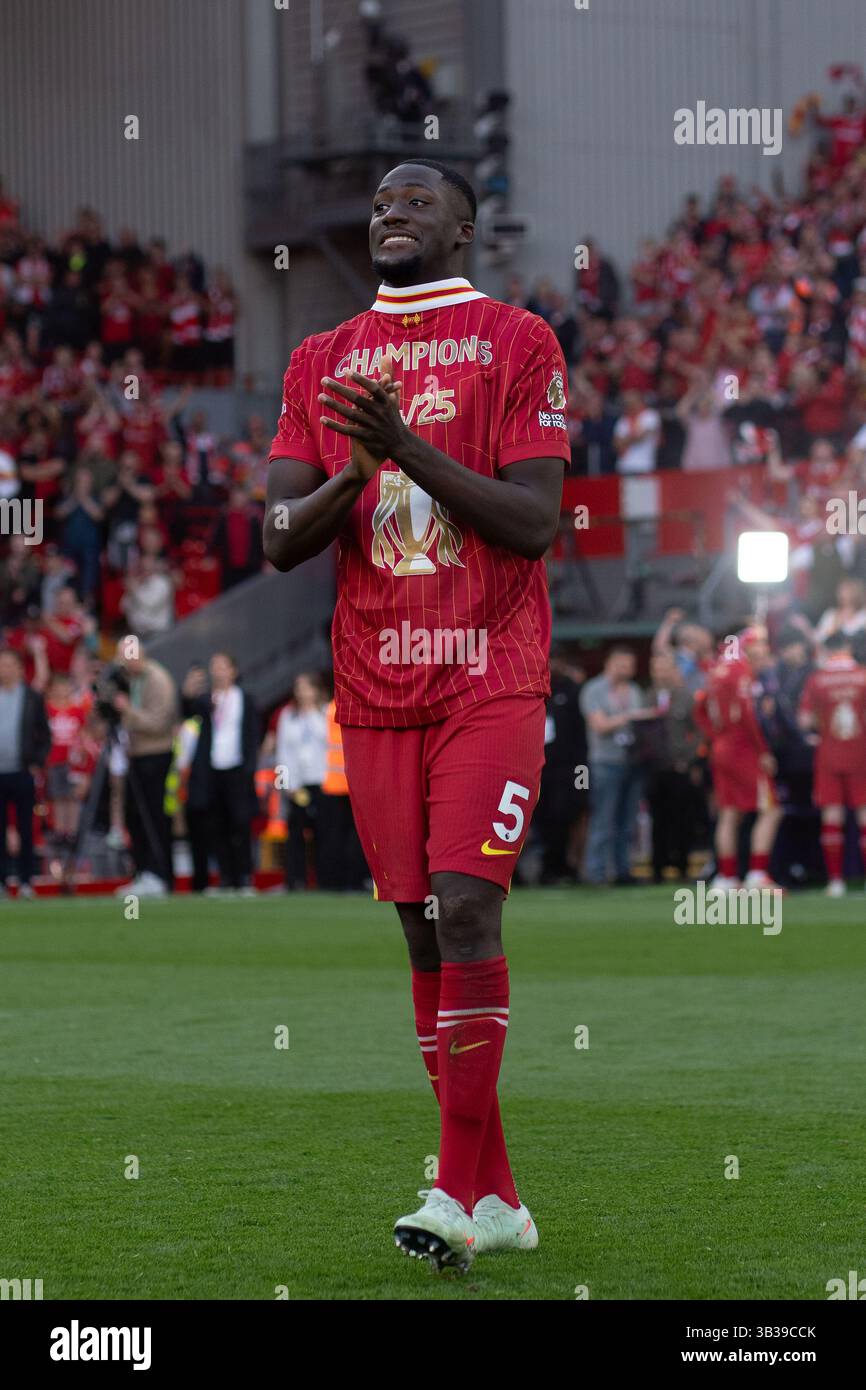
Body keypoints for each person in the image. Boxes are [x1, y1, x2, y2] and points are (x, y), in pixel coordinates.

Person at [264, 158, 570, 1270]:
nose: (392, 211)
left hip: (489, 670)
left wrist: (405, 449)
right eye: (382, 201)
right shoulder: (319, 360)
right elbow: (278, 537)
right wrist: (353, 473)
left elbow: (533, 525)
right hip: (375, 686)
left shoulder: (519, 341)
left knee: (466, 913)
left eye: (417, 201)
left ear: (463, 230)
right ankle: (497, 1196)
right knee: (417, 931)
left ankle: (449, 1191)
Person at [692, 628, 782, 890]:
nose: (764, 649)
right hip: (743, 748)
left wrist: (714, 737)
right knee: (771, 809)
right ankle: (757, 874)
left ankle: (727, 878)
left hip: (721, 748)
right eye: (760, 643)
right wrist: (763, 751)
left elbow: (700, 710)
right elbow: (747, 714)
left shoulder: (717, 670)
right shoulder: (740, 669)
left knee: (729, 813)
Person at [181, 652, 259, 894]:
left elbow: (252, 733)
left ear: (233, 671)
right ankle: (226, 876)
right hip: (212, 768)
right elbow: (186, 711)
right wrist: (187, 693)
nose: (218, 671)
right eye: (214, 666)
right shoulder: (206, 700)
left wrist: (249, 768)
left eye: (223, 666)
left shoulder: (245, 698)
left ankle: (244, 876)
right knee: (217, 825)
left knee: (241, 822)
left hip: (236, 768)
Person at [798, 632, 866, 897]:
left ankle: (835, 881)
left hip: (828, 753)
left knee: (832, 816)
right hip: (861, 752)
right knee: (864, 815)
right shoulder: (863, 676)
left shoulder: (817, 680)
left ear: (827, 649)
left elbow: (804, 721)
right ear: (848, 647)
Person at [579, 646, 652, 885]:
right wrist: (631, 717)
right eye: (622, 663)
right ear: (609, 663)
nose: (626, 669)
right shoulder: (594, 690)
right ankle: (596, 871)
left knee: (627, 820)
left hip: (631, 760)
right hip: (605, 762)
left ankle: (623, 870)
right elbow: (599, 725)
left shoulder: (633, 690)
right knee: (603, 818)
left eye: (629, 664)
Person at [112, 640, 177, 897]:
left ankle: (158, 873)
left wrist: (128, 711)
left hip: (156, 753)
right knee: (135, 815)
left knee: (153, 815)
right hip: (135, 755)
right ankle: (142, 871)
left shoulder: (158, 679)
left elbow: (160, 722)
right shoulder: (130, 679)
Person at [0, 647, 51, 899]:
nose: (5, 669)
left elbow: (44, 734)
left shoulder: (31, 697)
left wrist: (36, 762)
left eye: (9, 664)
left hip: (22, 771)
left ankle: (26, 880)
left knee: (26, 827)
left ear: (20, 668)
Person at [273, 673, 328, 891]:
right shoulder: (288, 715)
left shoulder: (326, 712)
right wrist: (285, 783)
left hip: (322, 781)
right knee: (295, 832)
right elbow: (282, 751)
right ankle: (295, 880)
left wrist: (313, 714)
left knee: (323, 833)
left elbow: (327, 740)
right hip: (297, 783)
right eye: (299, 687)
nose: (302, 692)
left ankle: (326, 880)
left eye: (307, 687)